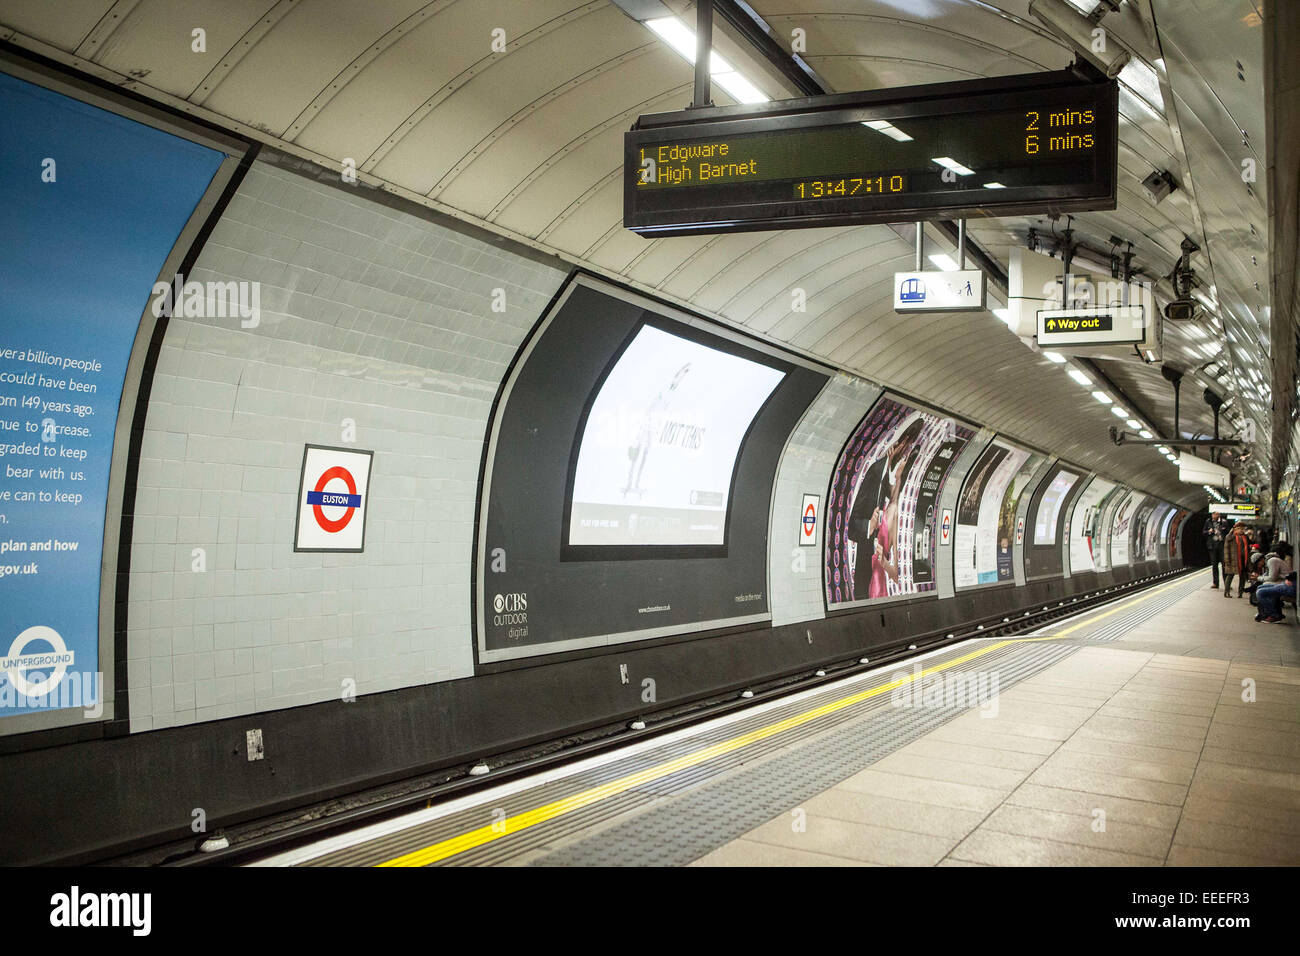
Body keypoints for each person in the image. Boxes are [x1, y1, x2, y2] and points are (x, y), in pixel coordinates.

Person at [847, 418, 924, 599]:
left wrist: (882, 560)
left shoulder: (894, 511)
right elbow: (852, 526)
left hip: (877, 584)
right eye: (904, 444)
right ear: (897, 443)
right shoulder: (876, 472)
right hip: (866, 578)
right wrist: (869, 526)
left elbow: (896, 574)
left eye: (908, 448)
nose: (904, 452)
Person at [1255, 542, 1294, 623]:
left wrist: (1258, 578)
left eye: (1257, 563)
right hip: (1286, 582)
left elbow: (1272, 578)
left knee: (1261, 592)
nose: (1258, 566)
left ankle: (1273, 615)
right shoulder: (1272, 560)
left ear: (1261, 559)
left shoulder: (1272, 561)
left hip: (1288, 584)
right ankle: (1268, 613)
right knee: (1261, 588)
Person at [1222, 521, 1250, 598]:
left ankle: (1240, 592)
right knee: (1230, 575)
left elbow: (1248, 549)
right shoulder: (1230, 537)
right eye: (1239, 529)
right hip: (1233, 559)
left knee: (1243, 576)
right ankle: (1226, 592)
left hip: (1243, 559)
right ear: (1235, 529)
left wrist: (1249, 560)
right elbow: (1226, 549)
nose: (1241, 530)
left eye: (1242, 529)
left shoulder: (1245, 537)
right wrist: (1227, 560)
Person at [1203, 514, 1228, 588]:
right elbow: (1204, 532)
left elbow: (1228, 532)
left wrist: (1223, 532)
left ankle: (1226, 583)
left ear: (1218, 516)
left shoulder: (1224, 522)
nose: (1213, 518)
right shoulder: (1208, 521)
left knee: (1224, 565)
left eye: (1215, 517)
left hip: (1222, 545)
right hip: (1212, 546)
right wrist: (1209, 531)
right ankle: (1215, 583)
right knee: (1214, 565)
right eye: (1212, 517)